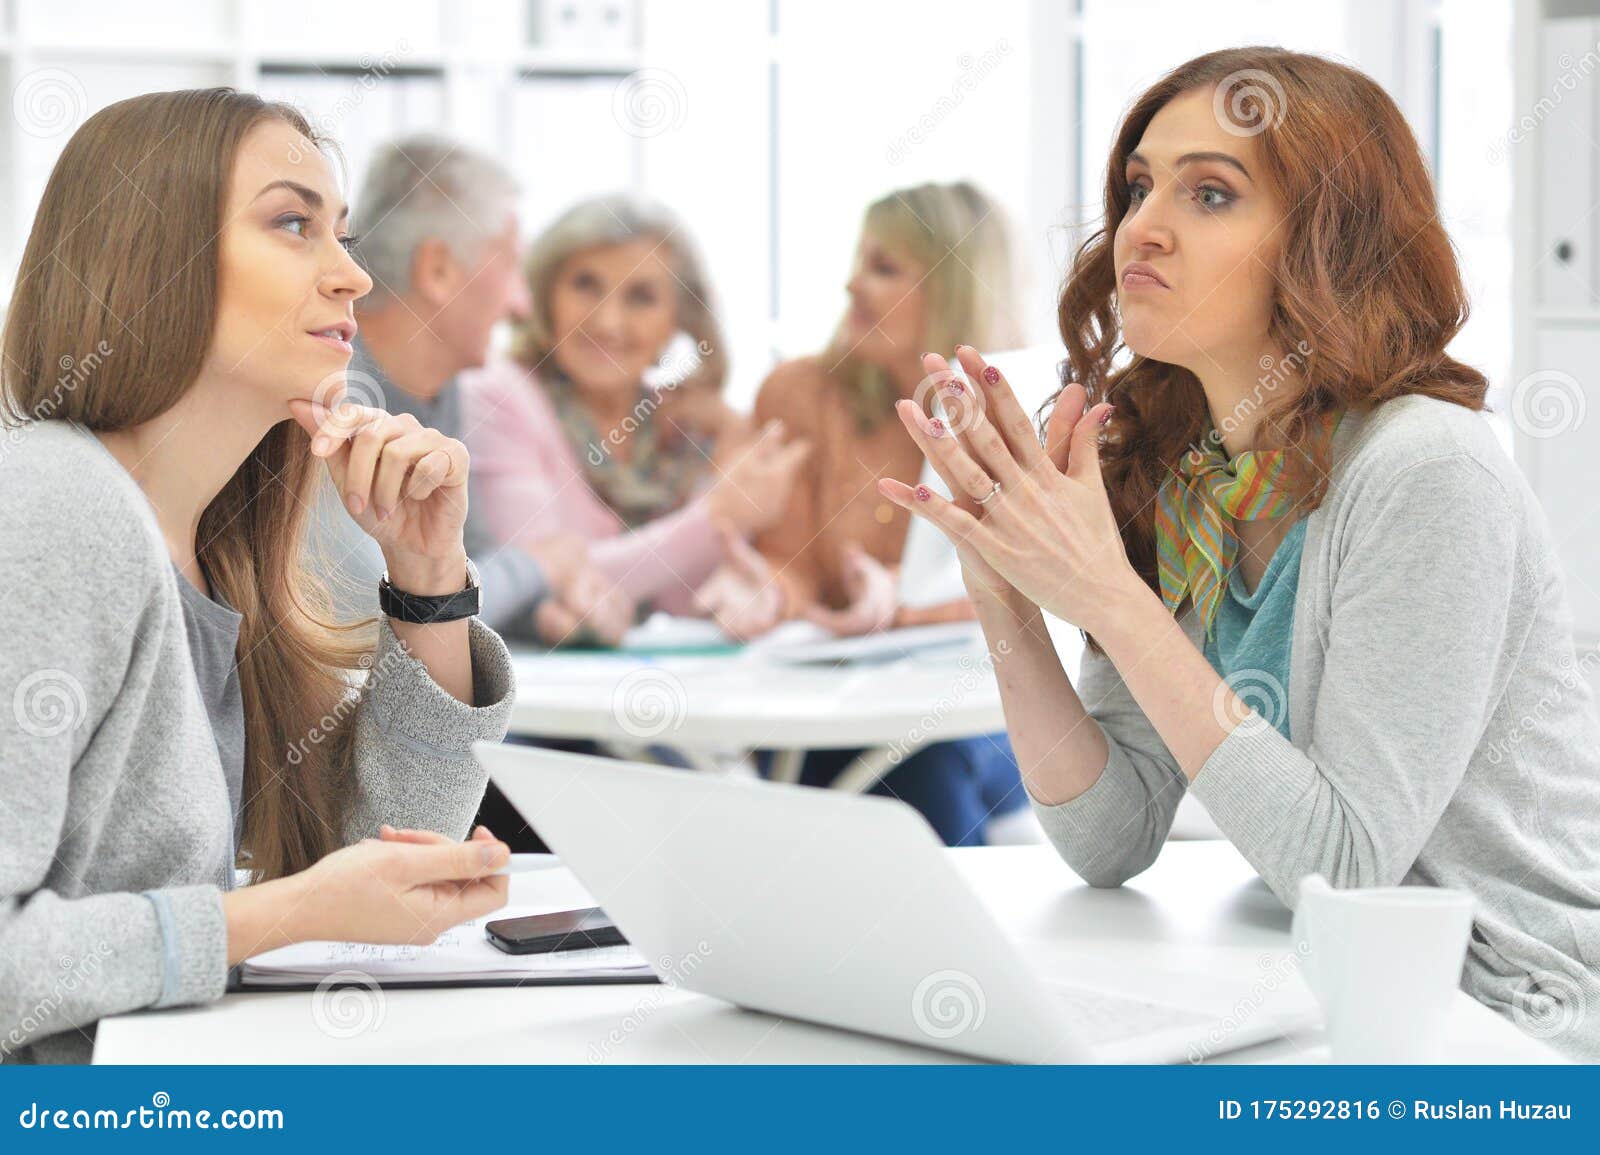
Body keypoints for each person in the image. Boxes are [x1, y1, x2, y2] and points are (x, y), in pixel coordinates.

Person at [881, 48, 1600, 1059]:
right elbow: (1108, 836)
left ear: (1328, 246)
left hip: (1524, 1019)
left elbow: (1342, 869)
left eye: (1210, 193)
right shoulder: (1190, 473)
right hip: (1338, 998)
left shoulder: (1425, 471)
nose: (1143, 227)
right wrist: (1002, 591)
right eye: (1139, 186)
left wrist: (1106, 596)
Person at [0, 89, 520, 1065]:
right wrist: (270, 920)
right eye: (293, 224)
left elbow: (378, 855)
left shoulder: (223, 541)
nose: (355, 277)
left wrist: (428, 580)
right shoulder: (50, 505)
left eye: (345, 235)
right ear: (153, 261)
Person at [700, 181, 1030, 847]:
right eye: (860, 261)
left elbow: (1041, 587)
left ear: (954, 289)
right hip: (831, 713)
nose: (852, 284)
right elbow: (788, 567)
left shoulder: (1007, 407)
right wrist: (768, 594)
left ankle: (942, 945)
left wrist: (901, 611)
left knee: (922, 771)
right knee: (867, 777)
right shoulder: (798, 392)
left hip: (983, 707)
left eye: (883, 268)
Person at [307, 135, 631, 647]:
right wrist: (544, 567)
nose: (522, 307)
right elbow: (374, 609)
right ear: (436, 270)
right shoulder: (329, 389)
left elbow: (463, 568)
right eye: (510, 267)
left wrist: (551, 607)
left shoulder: (446, 391)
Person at [462, 195, 809, 622]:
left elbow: (689, 606)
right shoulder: (497, 395)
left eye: (641, 297)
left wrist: (725, 455)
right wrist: (716, 515)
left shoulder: (684, 427)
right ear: (544, 293)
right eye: (585, 285)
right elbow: (540, 583)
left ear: (680, 320)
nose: (608, 322)